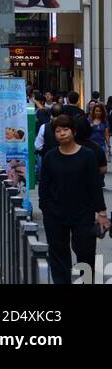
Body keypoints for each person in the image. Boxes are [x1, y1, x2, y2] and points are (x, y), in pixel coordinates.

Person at [38, 114, 109, 284]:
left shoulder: (88, 156)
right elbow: (44, 185)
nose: (62, 133)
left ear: (74, 132)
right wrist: (45, 207)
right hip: (55, 214)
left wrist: (102, 213)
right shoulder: (50, 157)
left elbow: (94, 186)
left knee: (85, 253)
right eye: (57, 131)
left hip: (83, 213)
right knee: (58, 255)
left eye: (65, 129)